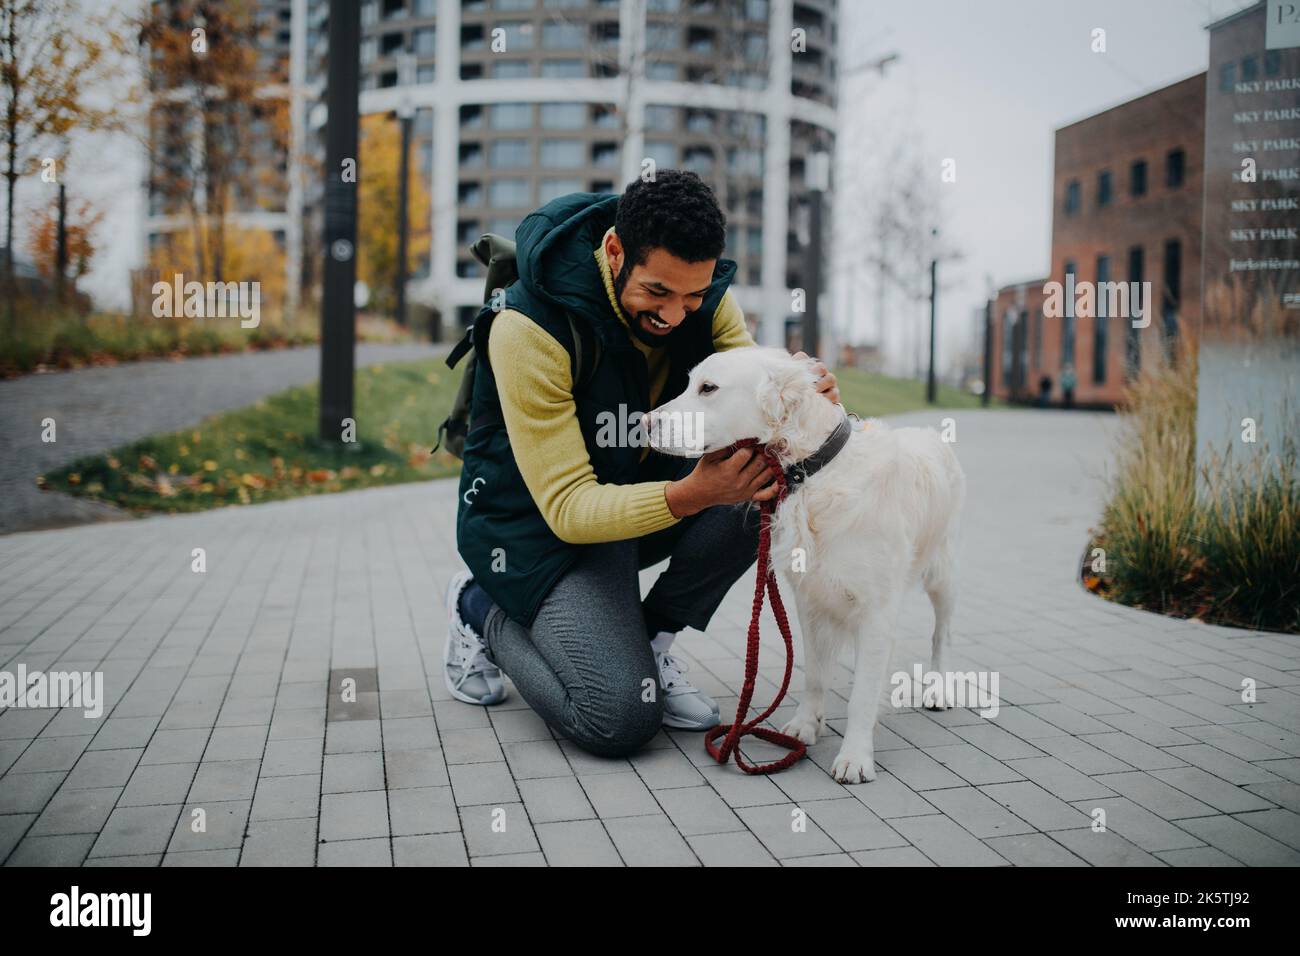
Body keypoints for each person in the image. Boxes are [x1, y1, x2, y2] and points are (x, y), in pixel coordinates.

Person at [444, 171, 840, 758]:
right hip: (538, 534)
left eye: (693, 296)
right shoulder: (527, 328)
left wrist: (803, 392)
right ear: (613, 251)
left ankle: (649, 642)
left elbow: (756, 398)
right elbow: (569, 509)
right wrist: (693, 495)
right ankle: (478, 607)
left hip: (638, 503)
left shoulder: (705, 299)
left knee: (764, 483)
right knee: (619, 719)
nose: (677, 315)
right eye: (657, 293)